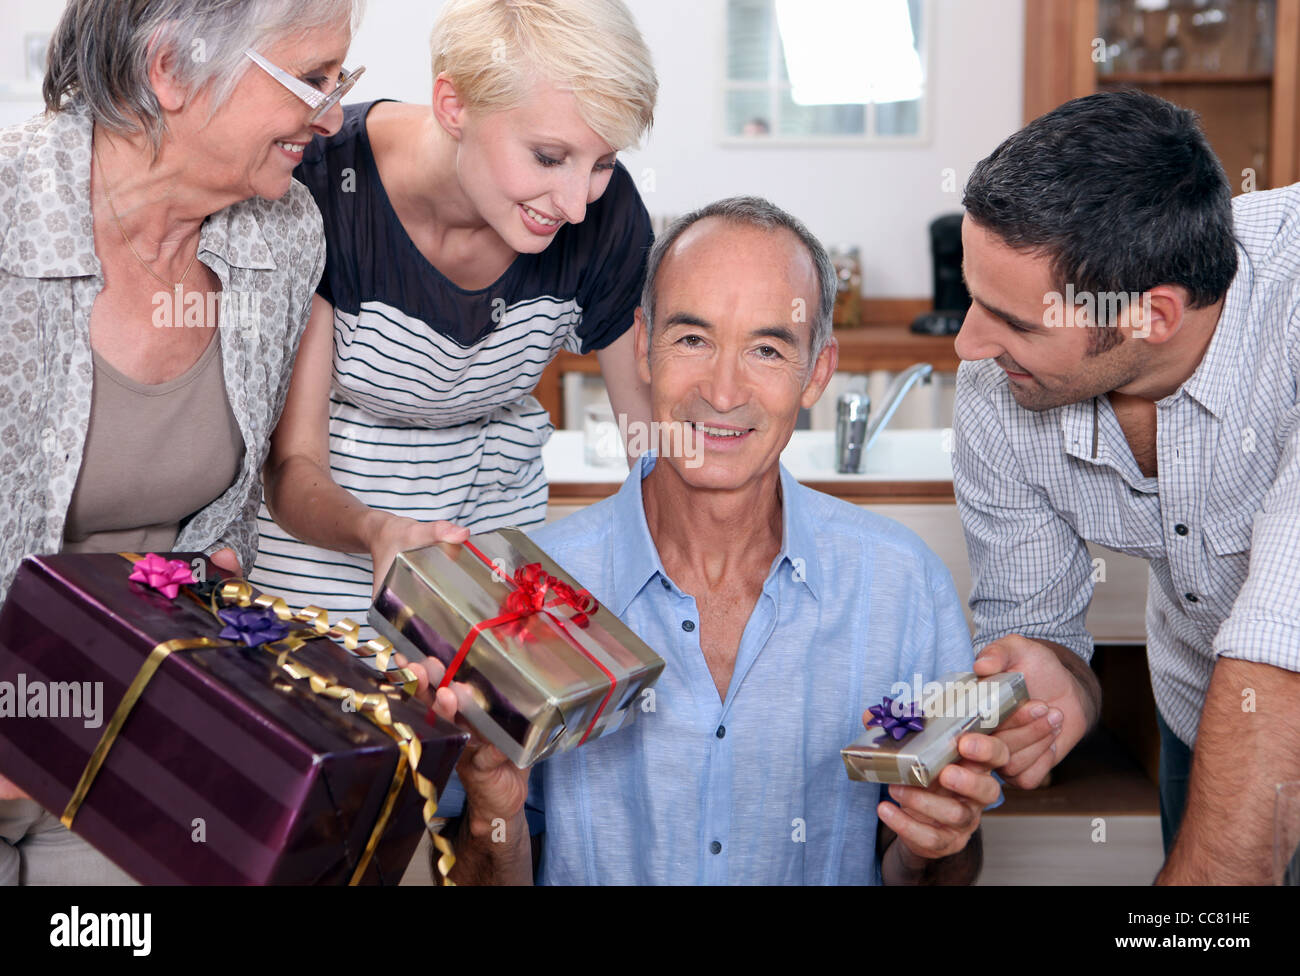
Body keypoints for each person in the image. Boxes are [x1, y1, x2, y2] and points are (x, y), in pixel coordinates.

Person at [421, 197, 1008, 885]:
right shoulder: (530, 596)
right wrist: (499, 815)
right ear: (643, 346)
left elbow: (936, 869)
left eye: (767, 348)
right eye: (692, 339)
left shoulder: (903, 585)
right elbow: (474, 873)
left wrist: (933, 843)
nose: (723, 392)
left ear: (818, 371)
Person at [0, 0, 363, 884]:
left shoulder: (285, 235)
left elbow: (229, 529)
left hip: (132, 753)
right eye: (312, 80)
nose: (333, 115)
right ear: (171, 69)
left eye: (339, 81)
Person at [951, 89, 1300, 884]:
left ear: (1154, 316)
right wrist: (1049, 683)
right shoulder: (1000, 389)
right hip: (1206, 710)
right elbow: (1036, 624)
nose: (971, 344)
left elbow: (1284, 653)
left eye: (1015, 321)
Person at [251, 0, 658, 630]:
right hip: (312, 581)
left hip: (487, 585)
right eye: (549, 157)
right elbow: (292, 468)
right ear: (454, 105)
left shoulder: (608, 216)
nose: (577, 205)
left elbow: (649, 447)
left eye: (601, 163)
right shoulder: (325, 185)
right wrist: (379, 530)